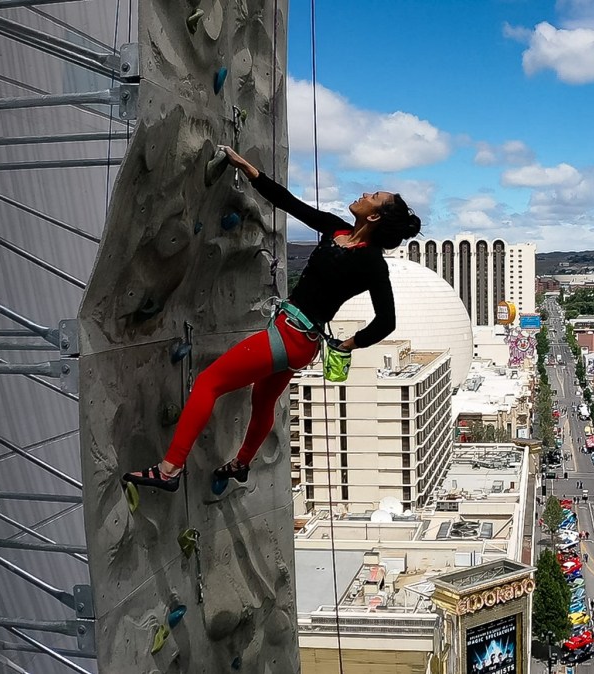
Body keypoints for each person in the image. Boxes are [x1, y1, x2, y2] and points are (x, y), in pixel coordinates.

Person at [123, 146, 420, 492]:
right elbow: (290, 203)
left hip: (291, 337)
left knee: (208, 383)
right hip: (298, 341)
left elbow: (387, 321)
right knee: (262, 402)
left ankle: (169, 470)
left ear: (373, 217)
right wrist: (248, 169)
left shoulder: (372, 263)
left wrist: (349, 344)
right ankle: (241, 464)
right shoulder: (337, 230)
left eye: (374, 197)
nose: (365, 193)